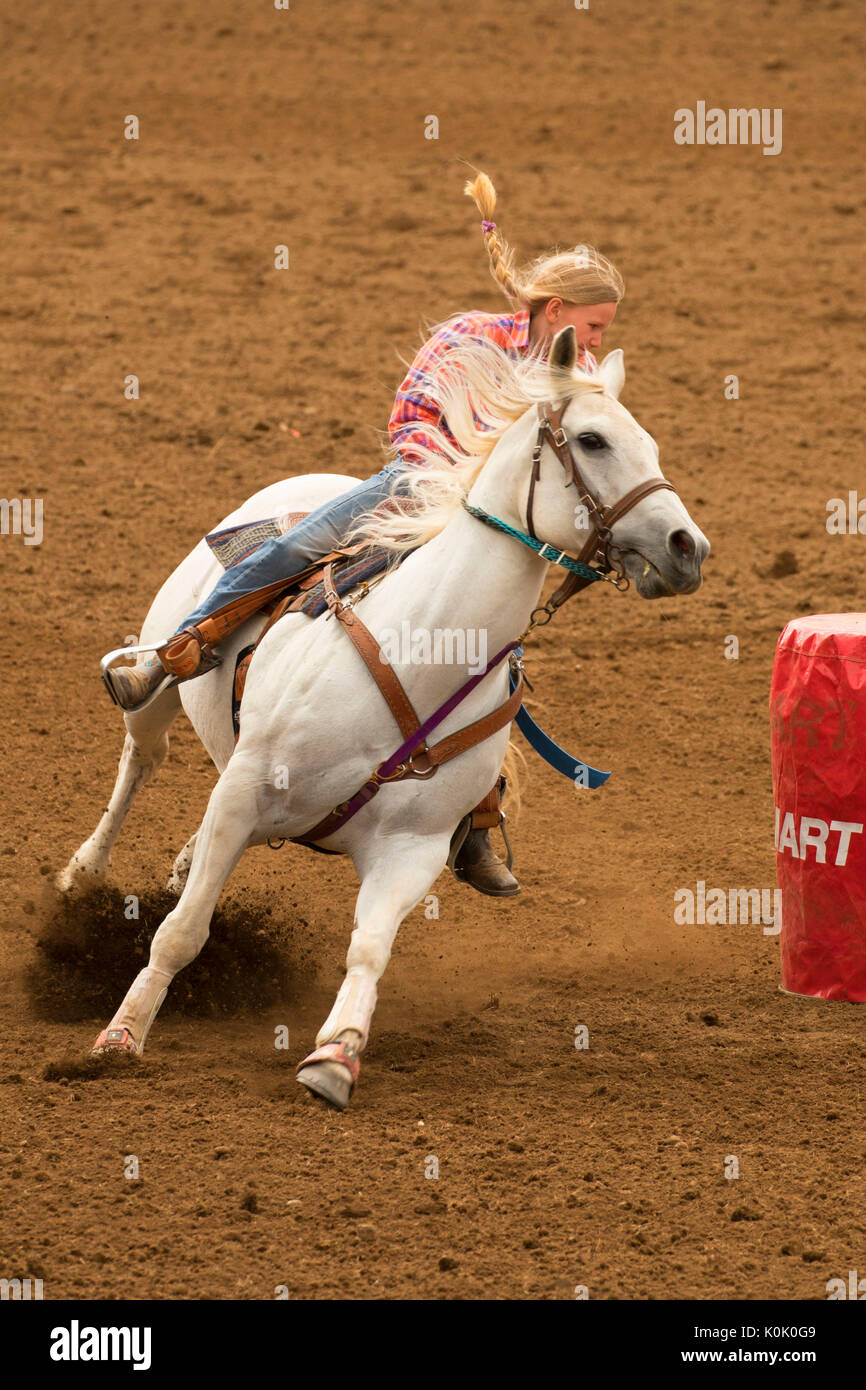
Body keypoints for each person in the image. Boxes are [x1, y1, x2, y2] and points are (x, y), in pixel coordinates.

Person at [103, 172, 624, 894]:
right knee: (295, 547)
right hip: (419, 488)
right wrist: (444, 479)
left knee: (489, 650)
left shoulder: (582, 374)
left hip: (492, 530)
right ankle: (174, 651)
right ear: (559, 310)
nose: (600, 341)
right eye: (595, 326)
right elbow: (409, 417)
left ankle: (475, 818)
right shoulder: (471, 337)